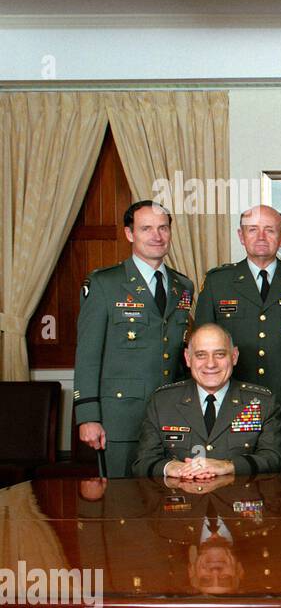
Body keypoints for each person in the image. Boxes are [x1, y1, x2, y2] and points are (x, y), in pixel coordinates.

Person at [194, 204, 281, 471]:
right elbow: (200, 353)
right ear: (240, 235)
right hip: (231, 411)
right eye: (252, 230)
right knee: (236, 494)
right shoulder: (218, 282)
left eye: (269, 230)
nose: (260, 237)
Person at [74, 200, 196, 477]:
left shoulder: (183, 286)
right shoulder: (105, 284)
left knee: (171, 504)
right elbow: (88, 355)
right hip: (122, 418)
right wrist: (88, 416)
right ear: (130, 234)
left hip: (173, 415)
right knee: (122, 507)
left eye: (163, 228)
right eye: (146, 228)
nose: (157, 236)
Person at [133, 323, 281, 479]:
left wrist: (229, 466)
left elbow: (274, 460)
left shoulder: (262, 403)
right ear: (187, 358)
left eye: (219, 354)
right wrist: (170, 467)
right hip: (181, 499)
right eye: (201, 355)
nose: (210, 364)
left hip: (237, 498)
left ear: (234, 356)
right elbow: (142, 463)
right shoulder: (162, 402)